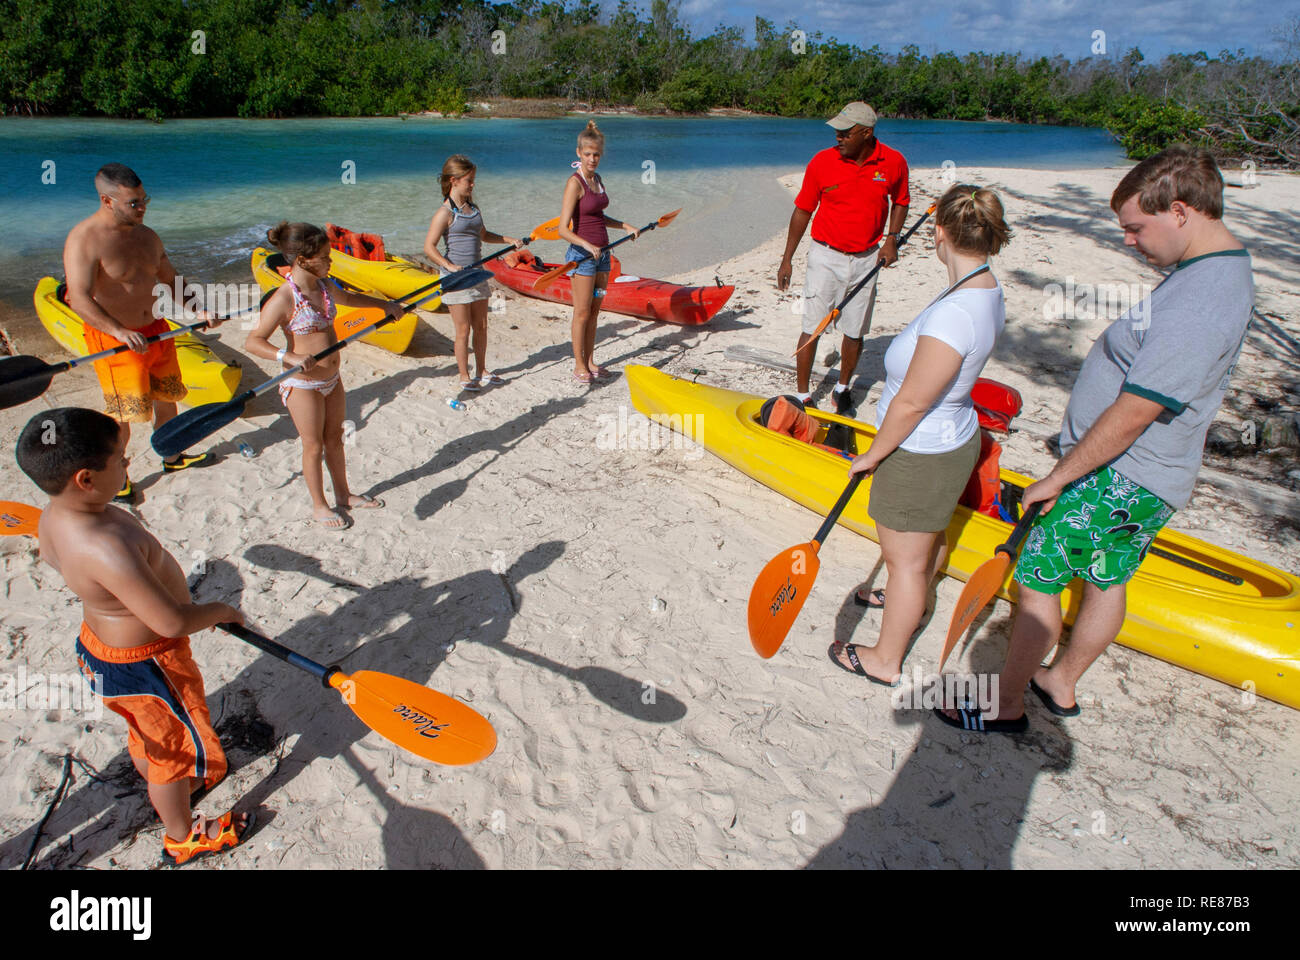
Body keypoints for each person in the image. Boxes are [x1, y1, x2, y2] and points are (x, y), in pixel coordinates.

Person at [937, 146, 1254, 734]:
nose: (1129, 242)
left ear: (1180, 211)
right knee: (1107, 577)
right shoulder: (1215, 271)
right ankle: (1058, 681)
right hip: (1149, 475)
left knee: (1037, 577)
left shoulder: (1204, 297)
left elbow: (1137, 410)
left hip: (1120, 475)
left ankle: (1002, 706)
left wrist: (1058, 478)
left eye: (1136, 228)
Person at [15, 407, 251, 865]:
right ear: (85, 478)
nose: (128, 465)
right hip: (148, 661)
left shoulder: (55, 514)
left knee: (151, 735)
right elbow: (171, 622)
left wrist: (110, 601)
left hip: (103, 649)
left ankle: (172, 781)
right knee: (172, 752)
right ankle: (182, 836)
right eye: (121, 460)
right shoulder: (104, 544)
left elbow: (48, 557)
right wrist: (222, 611)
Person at [828, 184, 1011, 686]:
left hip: (919, 449)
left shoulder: (956, 313)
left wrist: (872, 455)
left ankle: (885, 659)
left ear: (940, 233)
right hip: (951, 437)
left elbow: (911, 401)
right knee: (929, 540)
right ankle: (914, 599)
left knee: (905, 559)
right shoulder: (984, 285)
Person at [62, 163, 225, 504]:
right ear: (107, 201)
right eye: (133, 203)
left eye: (143, 199)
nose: (142, 208)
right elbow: (78, 297)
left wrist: (200, 310)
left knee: (168, 398)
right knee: (124, 414)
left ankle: (173, 457)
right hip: (115, 340)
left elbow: (171, 279)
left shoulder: (148, 236)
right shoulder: (84, 240)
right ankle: (118, 479)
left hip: (156, 330)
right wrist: (118, 331)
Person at [246, 222, 402, 528]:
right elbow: (253, 342)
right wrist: (287, 356)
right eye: (325, 257)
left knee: (335, 439)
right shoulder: (283, 298)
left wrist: (385, 306)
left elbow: (351, 300)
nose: (331, 262)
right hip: (302, 384)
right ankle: (320, 505)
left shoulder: (324, 287)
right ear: (303, 259)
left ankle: (343, 496)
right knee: (313, 445)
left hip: (333, 379)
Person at [777, 102, 911, 414]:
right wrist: (787, 259)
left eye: (845, 133)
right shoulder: (822, 162)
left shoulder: (893, 162)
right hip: (825, 257)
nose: (838, 137)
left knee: (855, 331)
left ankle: (842, 387)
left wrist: (891, 239)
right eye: (836, 131)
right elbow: (803, 211)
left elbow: (901, 200)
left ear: (867, 133)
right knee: (813, 326)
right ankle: (803, 394)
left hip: (867, 258)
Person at [423, 155, 523, 392]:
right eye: (469, 180)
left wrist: (509, 240)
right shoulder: (444, 213)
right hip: (456, 278)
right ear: (454, 181)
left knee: (482, 326)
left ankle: (482, 370)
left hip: (477, 274)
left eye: (473, 179)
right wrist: (449, 267)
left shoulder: (473, 209)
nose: (473, 184)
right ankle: (464, 375)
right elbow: (429, 247)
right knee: (463, 330)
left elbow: (484, 236)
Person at [556, 120, 640, 384]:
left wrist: (624, 225)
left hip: (603, 258)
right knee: (581, 312)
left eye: (597, 154)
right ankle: (578, 364)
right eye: (588, 154)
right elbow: (562, 229)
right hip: (582, 260)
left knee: (595, 310)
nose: (592, 159)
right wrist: (586, 245)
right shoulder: (575, 183)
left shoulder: (598, 180)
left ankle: (590, 360)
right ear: (578, 153)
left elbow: (596, 216)